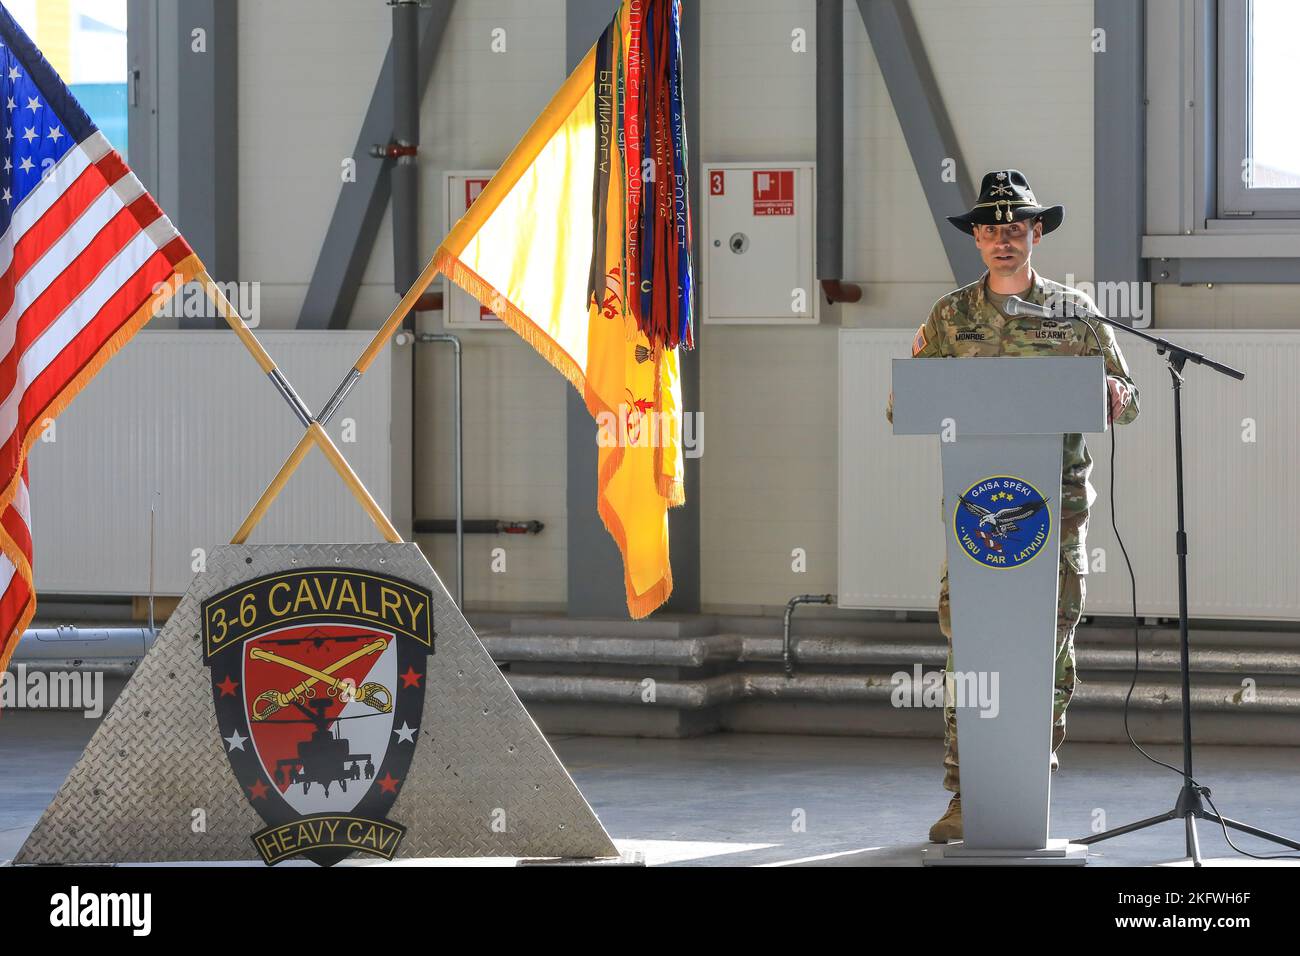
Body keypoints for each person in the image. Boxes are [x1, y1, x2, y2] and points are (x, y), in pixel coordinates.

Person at [885, 169, 1140, 843]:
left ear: (1036, 234)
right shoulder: (949, 318)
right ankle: (967, 795)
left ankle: (1029, 784)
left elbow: (1128, 395)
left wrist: (1114, 395)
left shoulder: (1075, 312)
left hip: (1054, 515)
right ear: (976, 239)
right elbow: (903, 400)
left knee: (1048, 651)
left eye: (1015, 228)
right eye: (991, 229)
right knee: (969, 654)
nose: (1003, 240)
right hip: (978, 522)